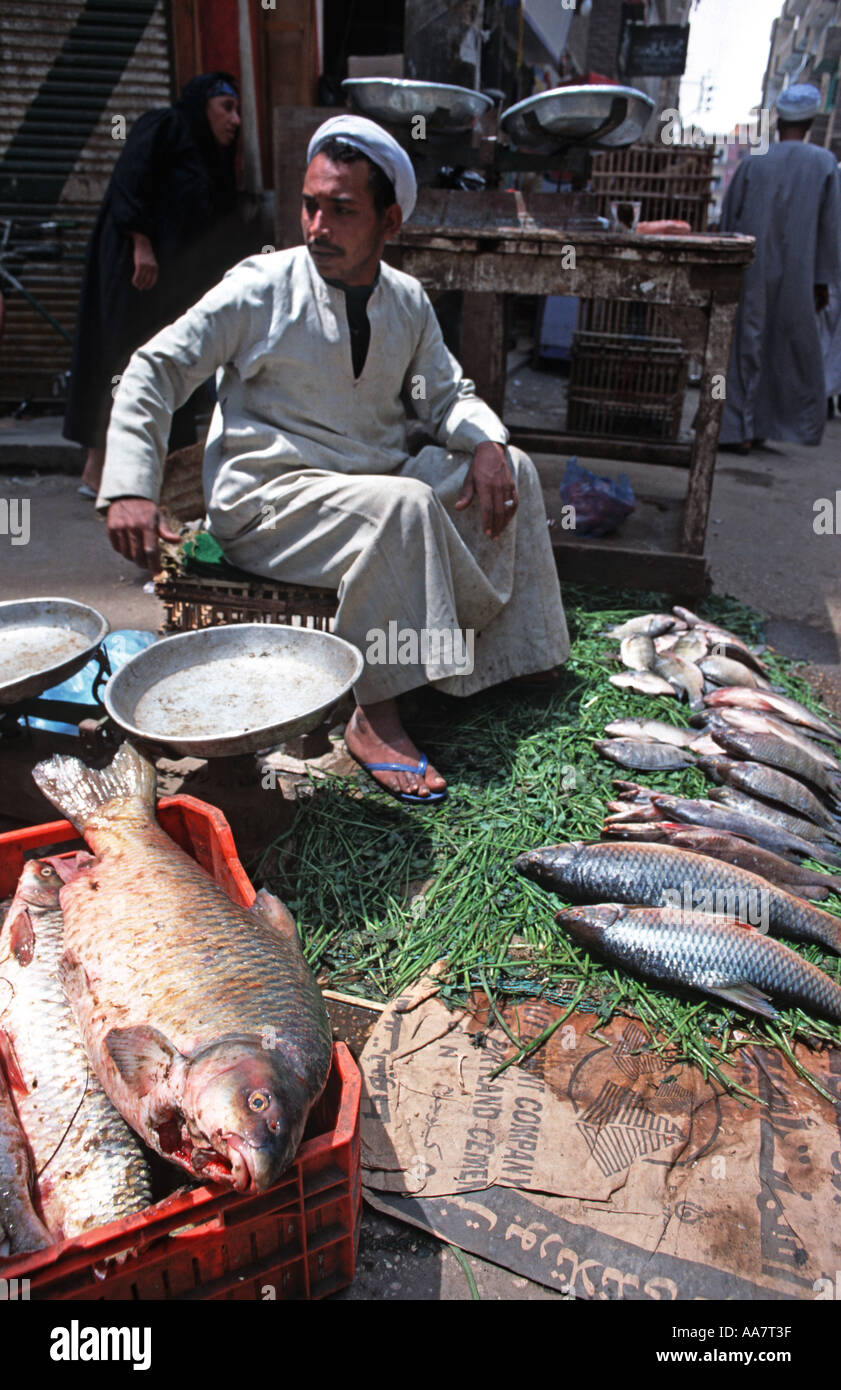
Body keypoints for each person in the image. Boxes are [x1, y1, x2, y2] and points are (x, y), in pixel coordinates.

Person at [97, 114, 570, 803]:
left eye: (341, 211)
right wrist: (130, 486)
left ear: (389, 222)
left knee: (511, 468)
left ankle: (509, 658)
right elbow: (155, 368)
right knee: (402, 506)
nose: (317, 225)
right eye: (309, 205)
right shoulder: (260, 286)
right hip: (271, 502)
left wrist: (489, 443)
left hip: (368, 488)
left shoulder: (405, 301)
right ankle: (373, 715)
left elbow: (447, 398)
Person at [63, 72, 242, 495]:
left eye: (238, 111)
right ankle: (98, 469)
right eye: (227, 108)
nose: (235, 120)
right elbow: (129, 179)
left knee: (166, 362)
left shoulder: (209, 156)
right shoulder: (165, 125)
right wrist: (141, 244)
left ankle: (155, 474)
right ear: (202, 105)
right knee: (120, 358)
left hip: (170, 283)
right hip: (134, 269)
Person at [719, 84, 841, 452]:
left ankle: (739, 428)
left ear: (778, 121)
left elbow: (729, 221)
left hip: (751, 268)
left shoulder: (755, 161)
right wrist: (823, 282)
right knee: (784, 348)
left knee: (745, 343)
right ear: (810, 122)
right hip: (799, 275)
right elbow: (831, 231)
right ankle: (762, 426)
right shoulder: (824, 164)